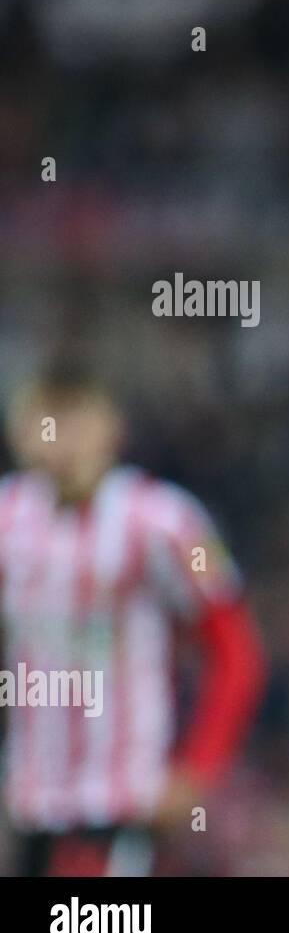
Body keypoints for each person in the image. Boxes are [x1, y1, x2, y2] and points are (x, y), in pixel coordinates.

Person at [0, 361, 266, 875]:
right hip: (29, 802)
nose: (59, 441)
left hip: (124, 799)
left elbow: (236, 652)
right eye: (44, 421)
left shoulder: (161, 520)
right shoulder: (8, 520)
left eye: (76, 421)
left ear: (110, 427)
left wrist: (198, 769)